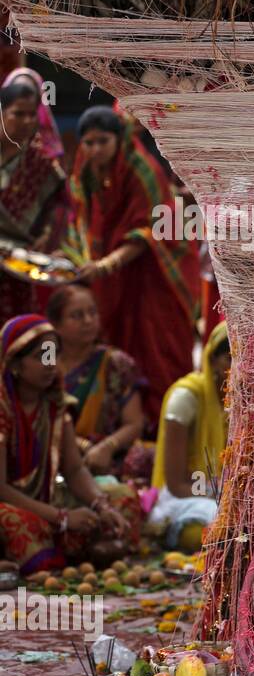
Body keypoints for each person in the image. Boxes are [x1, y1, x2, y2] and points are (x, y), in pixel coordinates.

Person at [68, 105, 200, 425]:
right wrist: (84, 258)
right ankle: (118, 424)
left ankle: (161, 429)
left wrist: (104, 266)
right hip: (111, 269)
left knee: (155, 346)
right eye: (89, 142)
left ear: (119, 139)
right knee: (111, 338)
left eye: (103, 142)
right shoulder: (85, 166)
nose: (95, 149)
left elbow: (149, 231)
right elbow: (81, 215)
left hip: (153, 273)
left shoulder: (141, 168)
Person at [0, 315, 139, 579]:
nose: (51, 364)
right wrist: (62, 517)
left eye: (54, 354)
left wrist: (101, 506)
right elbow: (1, 488)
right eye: (42, 356)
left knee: (122, 496)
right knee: (18, 522)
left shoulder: (55, 405)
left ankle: (88, 547)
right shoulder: (2, 406)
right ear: (15, 364)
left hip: (47, 500)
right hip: (10, 503)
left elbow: (74, 470)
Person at [47, 282, 149, 481]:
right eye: (77, 315)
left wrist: (107, 447)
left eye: (92, 313)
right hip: (52, 453)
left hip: (100, 459)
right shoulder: (46, 362)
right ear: (55, 325)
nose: (88, 321)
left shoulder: (116, 363)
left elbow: (135, 423)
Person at [150, 322, 230, 552]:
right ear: (213, 361)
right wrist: (220, 500)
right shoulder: (186, 397)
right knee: (218, 527)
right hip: (186, 498)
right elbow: (176, 484)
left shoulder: (249, 398)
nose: (236, 368)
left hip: (224, 495)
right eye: (229, 359)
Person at [0, 83, 68, 324]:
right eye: (19, 113)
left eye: (32, 114)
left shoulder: (43, 167)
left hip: (18, 271)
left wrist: (47, 238)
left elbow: (60, 214)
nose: (28, 121)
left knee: (16, 339)